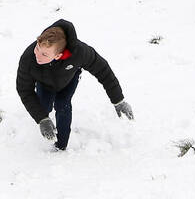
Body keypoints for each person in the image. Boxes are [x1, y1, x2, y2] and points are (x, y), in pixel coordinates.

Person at [15, 19, 133, 151]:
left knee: (63, 105)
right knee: (43, 107)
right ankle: (45, 117)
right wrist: (42, 119)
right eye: (37, 48)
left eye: (44, 54)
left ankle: (61, 147)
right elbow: (24, 89)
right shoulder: (28, 58)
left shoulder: (80, 52)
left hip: (68, 80)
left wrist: (118, 100)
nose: (37, 54)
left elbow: (102, 70)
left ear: (58, 55)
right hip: (44, 82)